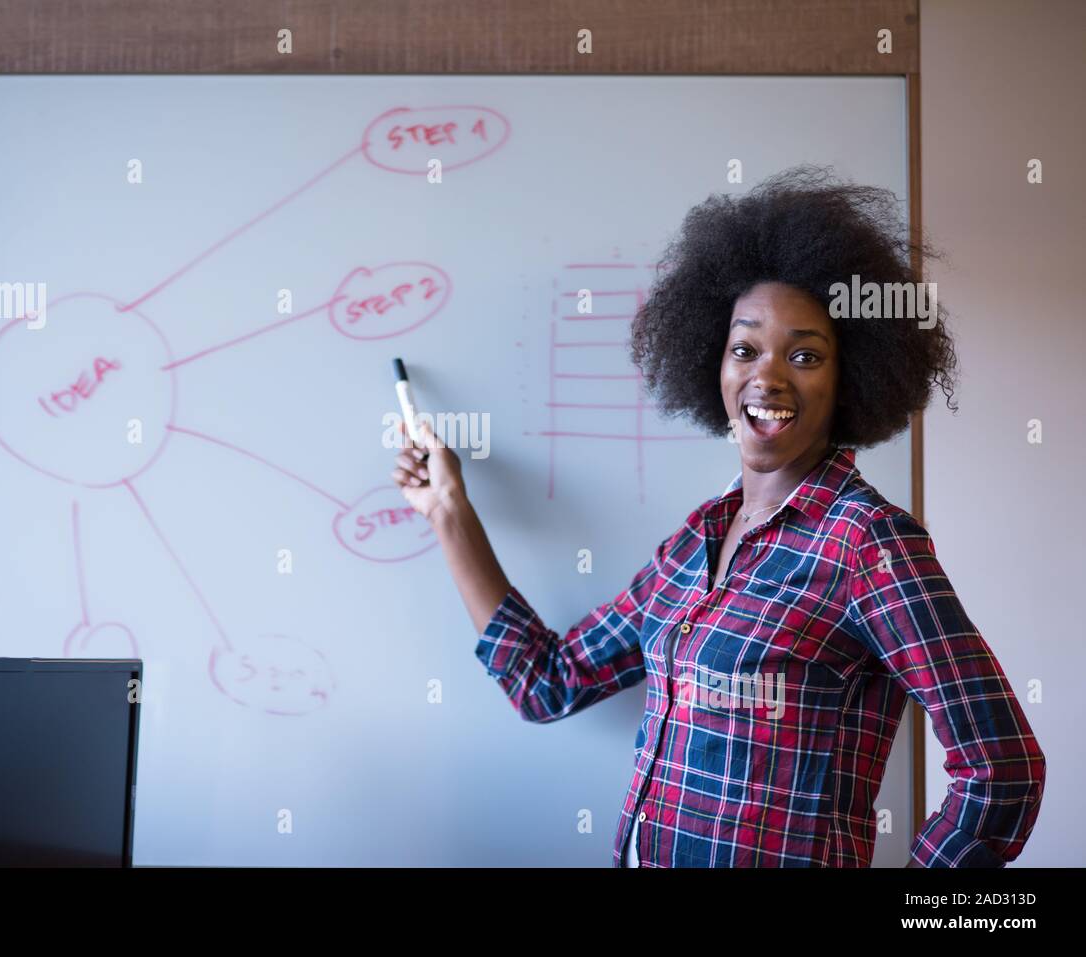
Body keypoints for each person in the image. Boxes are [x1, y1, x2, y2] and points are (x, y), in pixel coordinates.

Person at [390, 165, 1045, 867]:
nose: (767, 376)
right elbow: (548, 681)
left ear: (850, 376)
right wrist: (449, 511)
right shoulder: (693, 543)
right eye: (745, 348)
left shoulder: (866, 543)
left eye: (805, 354)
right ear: (715, 364)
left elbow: (1002, 769)